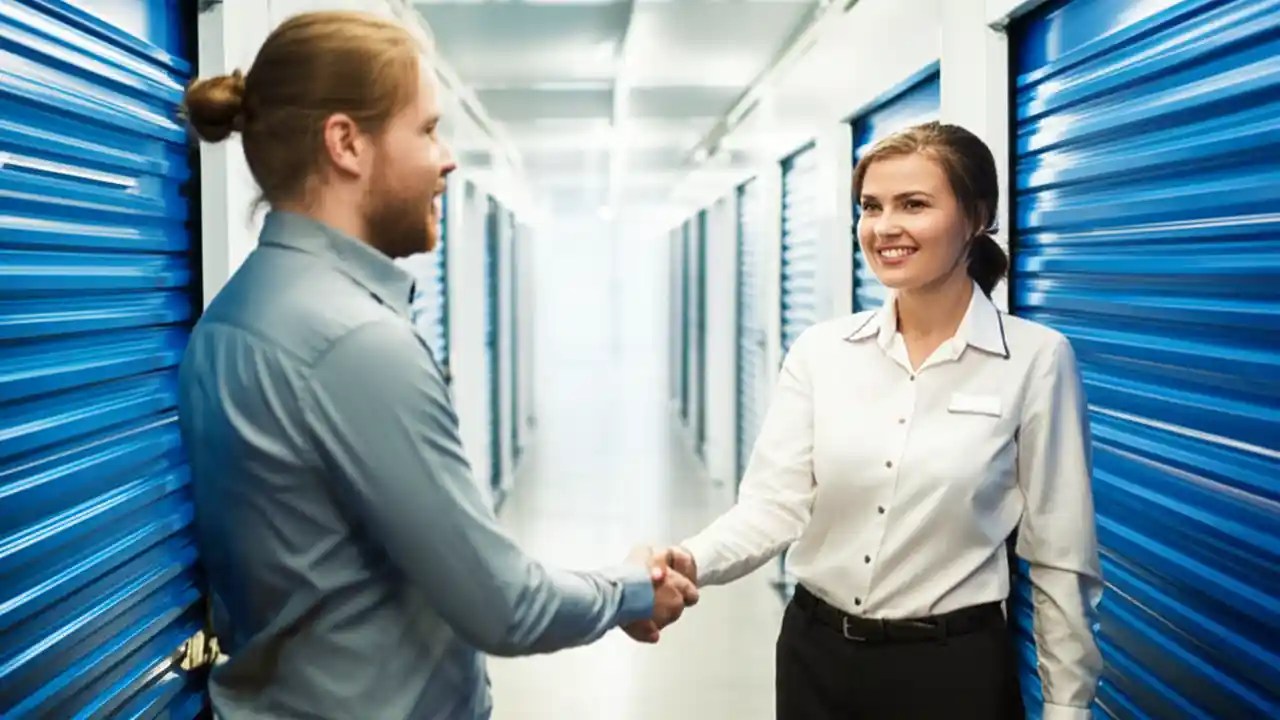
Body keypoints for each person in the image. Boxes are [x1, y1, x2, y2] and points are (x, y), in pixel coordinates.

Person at [176, 11, 696, 720]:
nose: (447, 157)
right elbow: (503, 604)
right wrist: (634, 588)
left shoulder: (231, 317)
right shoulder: (354, 340)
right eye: (425, 129)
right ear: (346, 143)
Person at [648, 122, 1103, 719]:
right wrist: (690, 560)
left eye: (913, 205)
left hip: (953, 671)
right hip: (816, 659)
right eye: (870, 206)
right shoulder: (822, 351)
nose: (884, 227)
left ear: (978, 215)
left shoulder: (1036, 360)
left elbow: (1060, 553)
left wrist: (1067, 707)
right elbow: (773, 506)